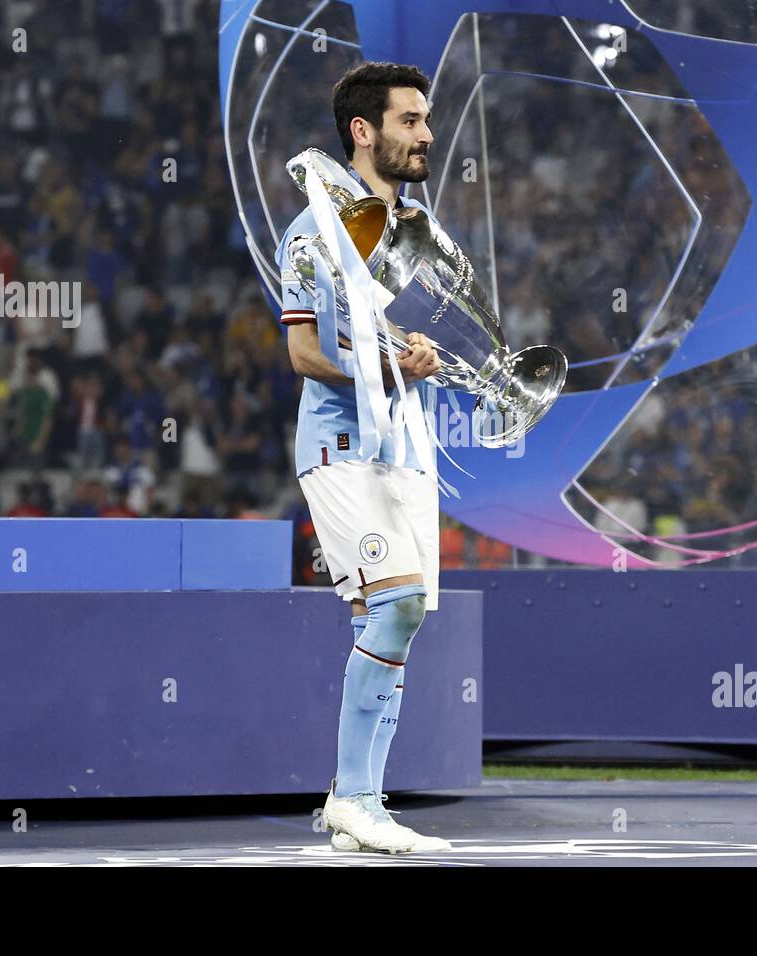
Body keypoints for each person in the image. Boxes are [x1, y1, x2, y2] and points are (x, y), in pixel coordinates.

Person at [274, 62, 450, 854]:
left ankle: (360, 810)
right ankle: (355, 799)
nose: (427, 135)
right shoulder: (314, 229)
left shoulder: (408, 226)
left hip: (405, 447)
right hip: (341, 447)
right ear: (363, 131)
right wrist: (382, 369)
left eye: (425, 119)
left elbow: (374, 340)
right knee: (400, 603)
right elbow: (305, 353)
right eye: (410, 121)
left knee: (390, 623)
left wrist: (412, 353)